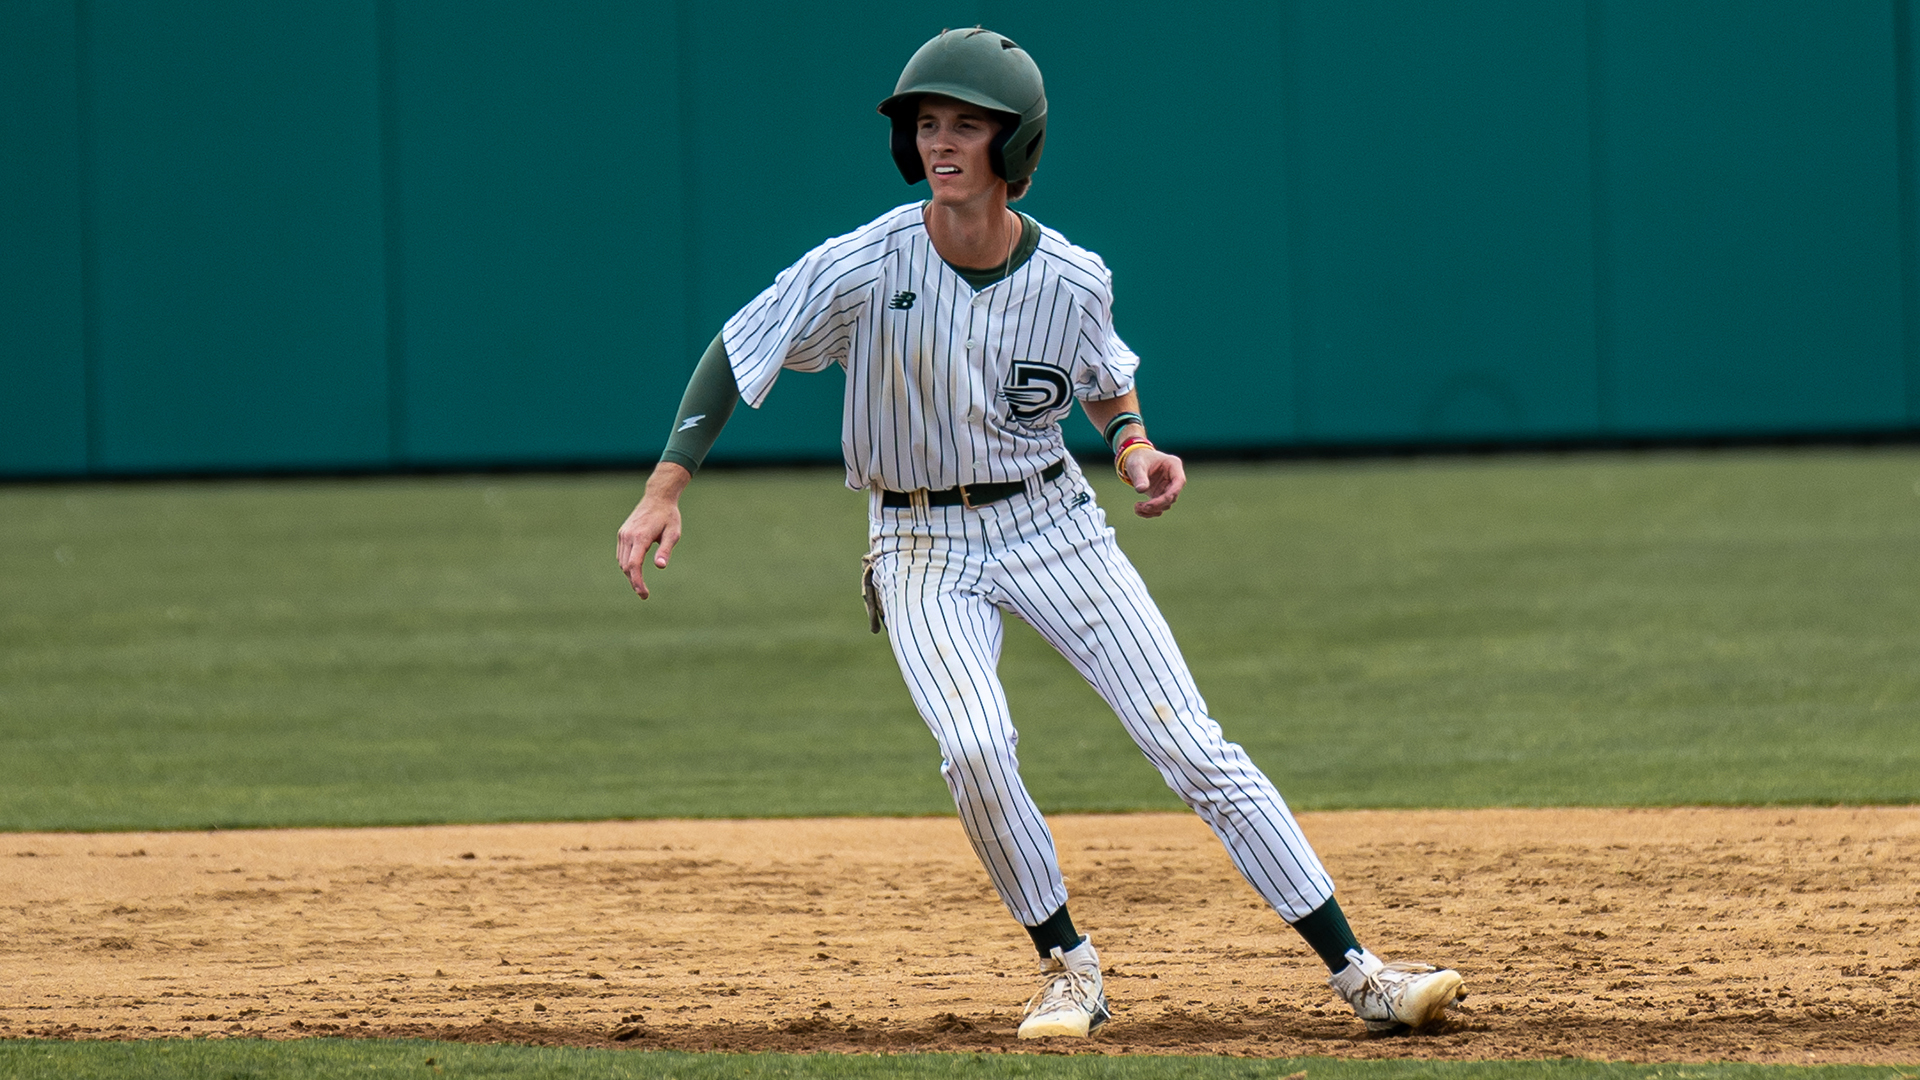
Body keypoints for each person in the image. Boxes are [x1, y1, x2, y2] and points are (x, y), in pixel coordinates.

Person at [616, 28, 1465, 1039]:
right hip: (919, 542)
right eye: (926, 124)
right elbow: (738, 345)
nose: (940, 142)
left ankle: (1363, 975)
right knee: (975, 749)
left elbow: (1104, 382)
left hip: (1054, 523)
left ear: (1014, 145)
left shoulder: (1071, 276)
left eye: (965, 125)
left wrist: (1134, 445)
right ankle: (1069, 968)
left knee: (1191, 745)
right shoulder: (861, 265)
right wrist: (665, 487)